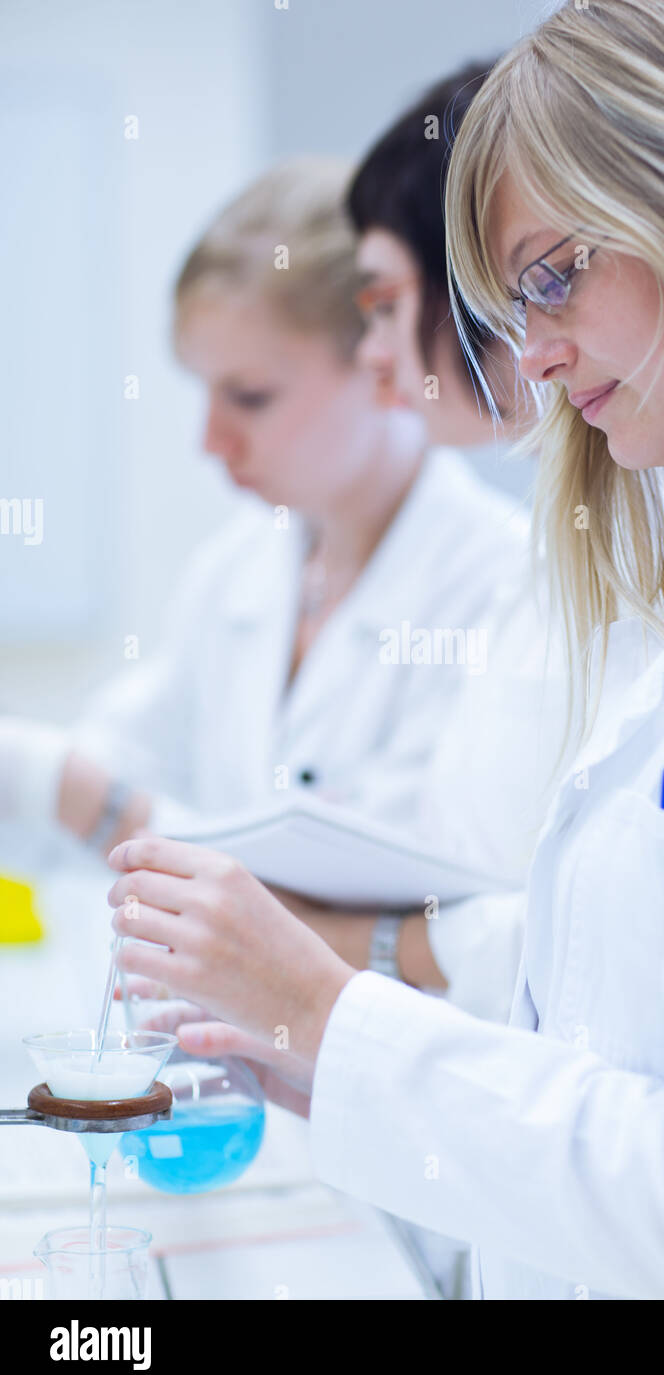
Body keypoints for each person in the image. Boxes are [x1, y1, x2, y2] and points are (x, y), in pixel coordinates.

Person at [107, 0, 664, 1299]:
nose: (534, 353)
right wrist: (333, 1032)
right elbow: (622, 1018)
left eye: (556, 274)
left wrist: (335, 1018)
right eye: (515, 303)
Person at [0, 155, 528, 868]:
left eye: (249, 397)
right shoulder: (238, 572)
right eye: (206, 394)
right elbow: (114, 765)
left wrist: (80, 794)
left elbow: (370, 897)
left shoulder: (500, 587)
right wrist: (43, 784)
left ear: (382, 357)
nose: (211, 442)